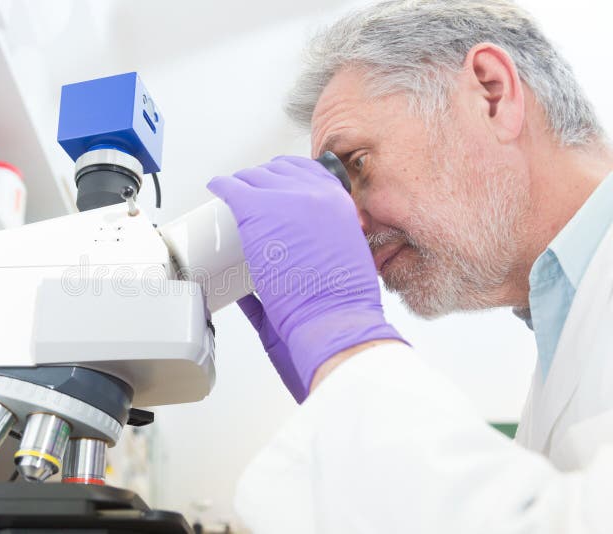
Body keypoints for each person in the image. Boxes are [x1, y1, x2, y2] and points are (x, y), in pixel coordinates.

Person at [206, 0, 613, 532]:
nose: (349, 225)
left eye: (355, 163)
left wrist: (346, 347)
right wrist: (340, 403)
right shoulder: (566, 321)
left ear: (492, 94)